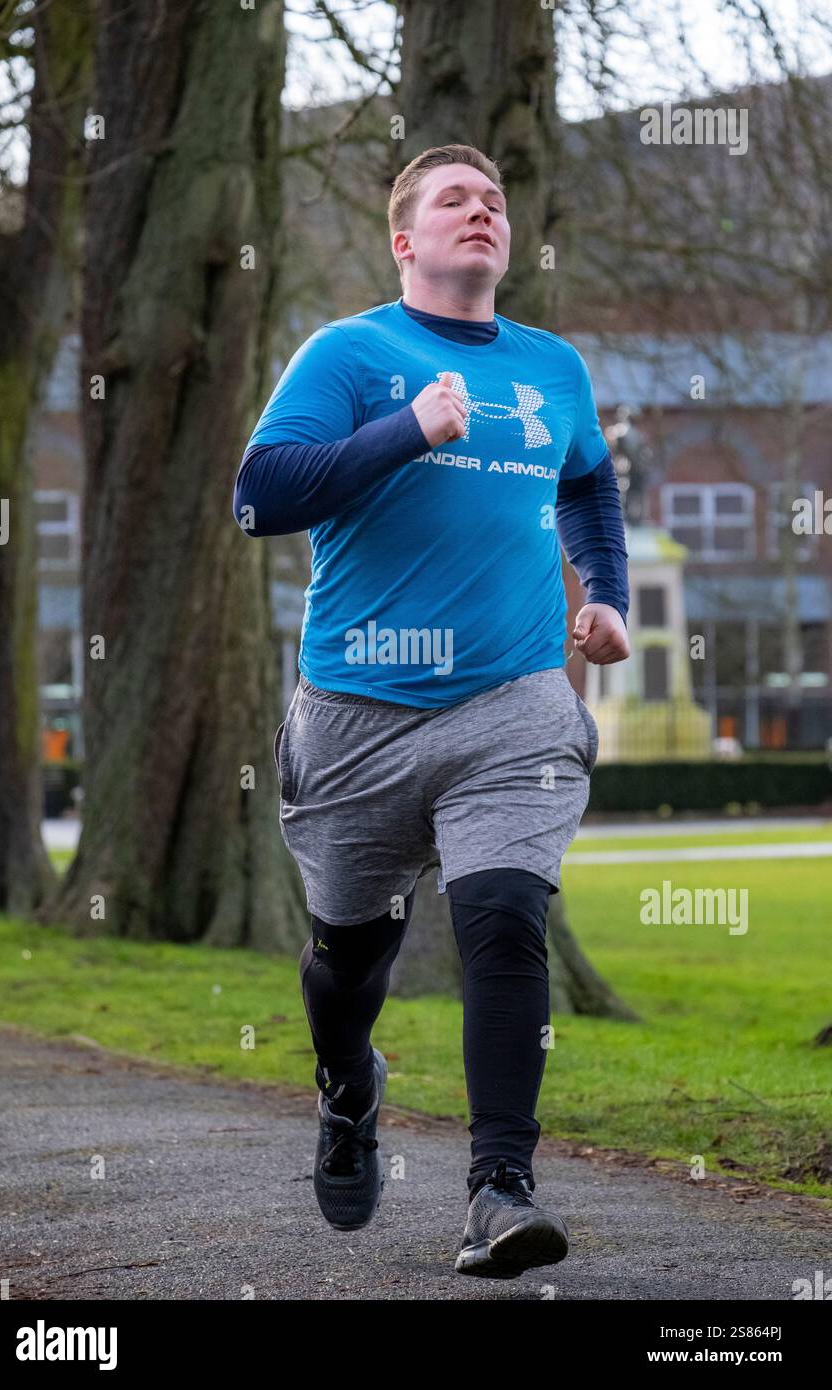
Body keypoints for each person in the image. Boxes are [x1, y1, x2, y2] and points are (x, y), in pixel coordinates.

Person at [233, 143, 630, 1279]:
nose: (482, 212)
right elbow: (258, 496)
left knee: (503, 914)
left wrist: (599, 590)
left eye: (495, 200)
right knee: (348, 958)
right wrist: (406, 428)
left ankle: (498, 1191)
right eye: (454, 199)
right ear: (405, 242)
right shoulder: (352, 353)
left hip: (511, 705)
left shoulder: (551, 367)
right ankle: (347, 1088)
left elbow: (588, 482)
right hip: (354, 709)